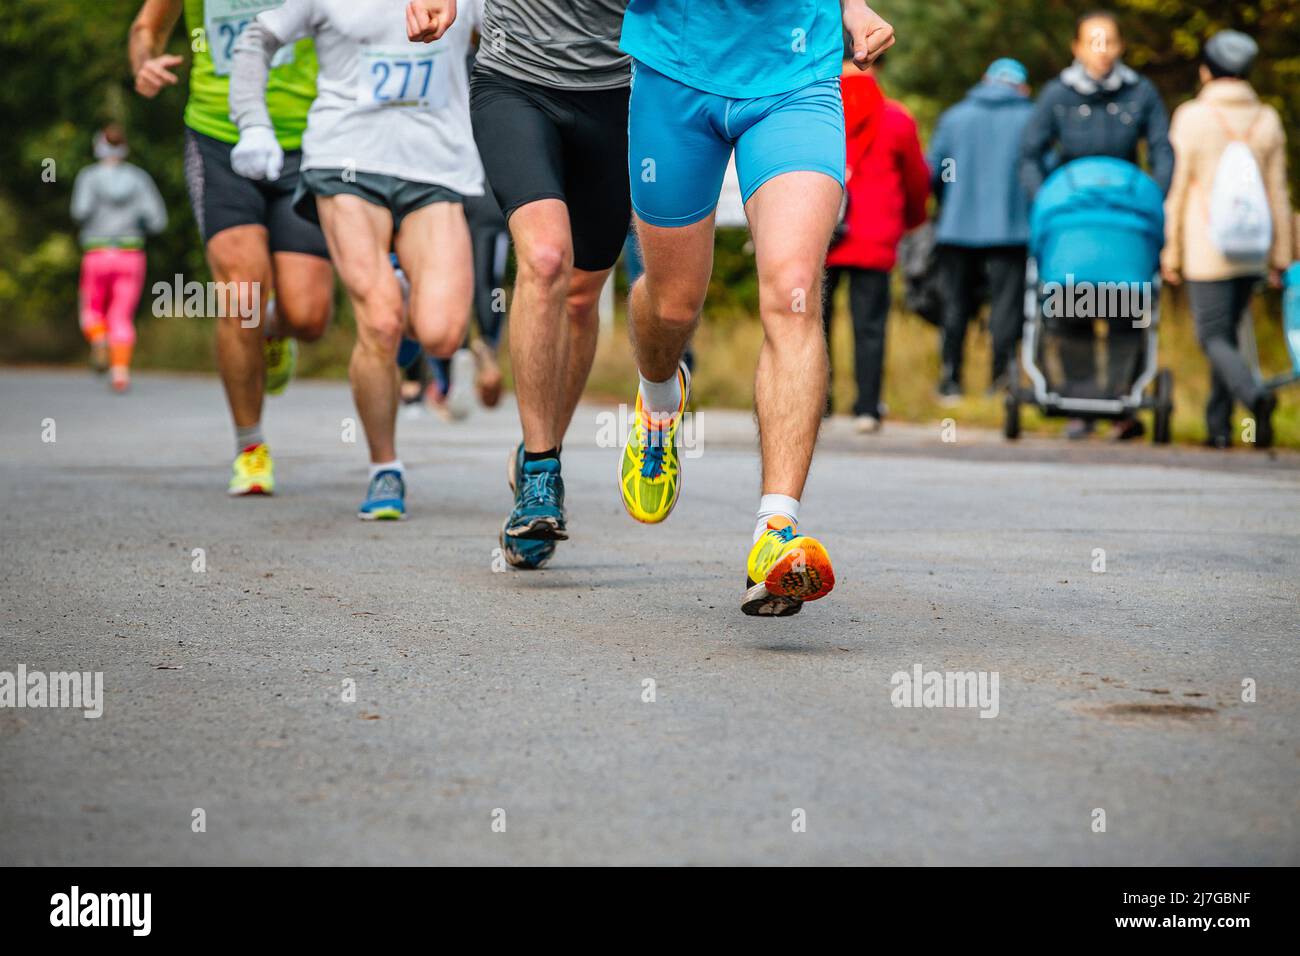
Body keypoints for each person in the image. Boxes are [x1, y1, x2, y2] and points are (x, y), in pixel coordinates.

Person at [615, 0, 894, 617]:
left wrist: (853, 9)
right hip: (676, 70)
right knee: (672, 302)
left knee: (794, 291)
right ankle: (659, 402)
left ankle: (776, 531)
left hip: (797, 77)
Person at [231, 0, 482, 519]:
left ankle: (406, 291)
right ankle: (384, 468)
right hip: (345, 160)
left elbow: (517, 45)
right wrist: (253, 123)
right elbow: (257, 37)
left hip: (438, 167)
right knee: (382, 321)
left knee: (441, 334)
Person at [408, 0, 633, 570]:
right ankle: (540, 472)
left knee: (582, 296)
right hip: (516, 81)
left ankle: (543, 449)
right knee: (547, 256)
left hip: (620, 95)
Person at [130, 0, 334, 496]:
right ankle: (250, 447)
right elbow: (146, 27)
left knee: (308, 317)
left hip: (306, 140)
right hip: (220, 137)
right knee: (242, 295)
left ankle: (272, 330)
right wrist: (144, 63)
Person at [1020, 9, 1174, 440]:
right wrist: (1045, 200)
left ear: (1121, 47)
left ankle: (1121, 400)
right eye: (1093, 41)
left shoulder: (1140, 93)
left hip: (1125, 222)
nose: (1101, 50)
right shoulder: (1057, 96)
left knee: (1125, 310)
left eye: (1109, 41)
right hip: (1072, 220)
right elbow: (1029, 154)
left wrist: (1152, 200)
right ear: (1077, 47)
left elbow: (1163, 150)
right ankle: (1081, 404)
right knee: (1069, 309)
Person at [1162, 31, 1294, 450]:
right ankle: (1218, 428)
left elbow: (1179, 188)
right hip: (1253, 245)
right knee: (1229, 334)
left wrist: (1171, 250)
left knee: (1212, 337)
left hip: (1208, 246)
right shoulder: (1267, 118)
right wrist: (1281, 255)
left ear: (1206, 70)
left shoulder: (1192, 117)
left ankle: (1254, 395)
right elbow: (1278, 192)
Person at [822, 50, 928, 433]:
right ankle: (867, 408)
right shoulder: (897, 118)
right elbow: (917, 180)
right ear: (878, 64)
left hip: (820, 230)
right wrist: (914, 221)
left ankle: (819, 404)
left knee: (814, 322)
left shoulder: (816, 113)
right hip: (874, 234)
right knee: (869, 324)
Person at [928, 58, 1034, 399]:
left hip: (957, 227)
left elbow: (937, 172)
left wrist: (950, 202)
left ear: (984, 79)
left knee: (955, 305)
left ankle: (951, 381)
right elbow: (1041, 174)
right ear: (1022, 86)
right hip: (1012, 229)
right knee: (1006, 307)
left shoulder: (955, 117)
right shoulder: (1031, 120)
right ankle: (1000, 382)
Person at [69, 124, 168, 393]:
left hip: (97, 253)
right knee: (121, 315)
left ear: (98, 145)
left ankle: (99, 339)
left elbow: (80, 211)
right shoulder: (139, 179)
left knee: (91, 309)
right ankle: (120, 373)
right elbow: (158, 220)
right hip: (130, 254)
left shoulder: (89, 177)